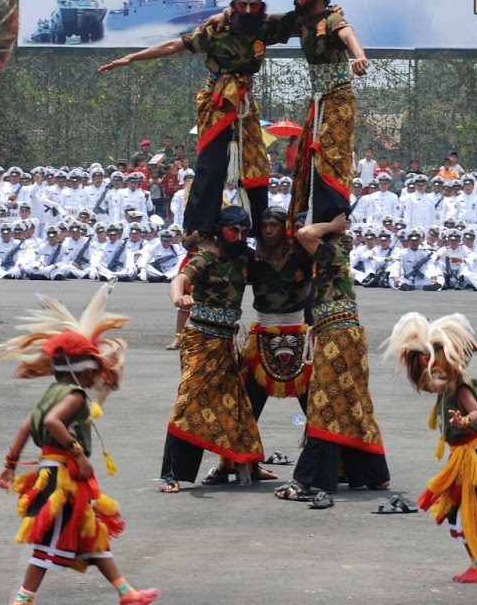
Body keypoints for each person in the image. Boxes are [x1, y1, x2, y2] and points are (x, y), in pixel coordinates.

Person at [0, 285, 159, 605]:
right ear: (83, 371)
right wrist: (78, 453)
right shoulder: (72, 396)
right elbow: (53, 423)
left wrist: (9, 464)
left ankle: (127, 593)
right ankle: (22, 601)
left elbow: (27, 425)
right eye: (94, 369)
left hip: (59, 474)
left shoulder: (53, 391)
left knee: (91, 533)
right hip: (61, 479)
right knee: (48, 543)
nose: (97, 375)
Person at [100, 0, 289, 238]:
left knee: (256, 164)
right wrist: (132, 57)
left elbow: (296, 21)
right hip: (217, 101)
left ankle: (259, 230)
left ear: (261, 7)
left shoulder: (264, 27)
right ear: (233, 5)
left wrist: (331, 12)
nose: (247, 9)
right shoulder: (216, 29)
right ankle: (200, 228)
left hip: (245, 103)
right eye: (241, 4)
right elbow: (172, 46)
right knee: (211, 166)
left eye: (253, 5)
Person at [383, 312, 477, 584]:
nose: (435, 373)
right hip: (467, 456)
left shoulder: (461, 384)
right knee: (470, 511)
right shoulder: (447, 384)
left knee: (463, 516)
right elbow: (429, 384)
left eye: (437, 366)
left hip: (473, 458)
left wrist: (464, 420)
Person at [279, 211, 390, 500]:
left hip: (339, 336)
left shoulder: (332, 251)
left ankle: (306, 480)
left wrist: (333, 226)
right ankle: (374, 475)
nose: (301, 230)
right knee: (352, 403)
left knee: (324, 405)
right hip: (340, 334)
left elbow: (304, 236)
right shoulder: (325, 258)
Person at [160, 206, 263, 491]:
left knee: (236, 402)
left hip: (226, 342)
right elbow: (179, 280)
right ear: (220, 231)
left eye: (244, 232)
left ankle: (245, 463)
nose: (240, 236)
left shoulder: (244, 256)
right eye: (234, 231)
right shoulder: (206, 257)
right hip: (200, 341)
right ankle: (171, 474)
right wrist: (179, 298)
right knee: (188, 401)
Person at [216, 209, 310, 488]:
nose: (269, 230)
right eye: (265, 225)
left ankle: (334, 465)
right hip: (262, 338)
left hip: (299, 337)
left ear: (286, 229)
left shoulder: (302, 254)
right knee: (248, 406)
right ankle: (239, 464)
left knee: (315, 407)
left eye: (275, 225)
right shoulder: (249, 256)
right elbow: (223, 244)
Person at [276, 0, 369, 232]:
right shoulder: (301, 21)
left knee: (332, 155)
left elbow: (348, 35)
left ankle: (334, 219)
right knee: (311, 157)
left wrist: (359, 56)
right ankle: (309, 215)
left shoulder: (332, 18)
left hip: (338, 98)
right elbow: (273, 20)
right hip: (317, 101)